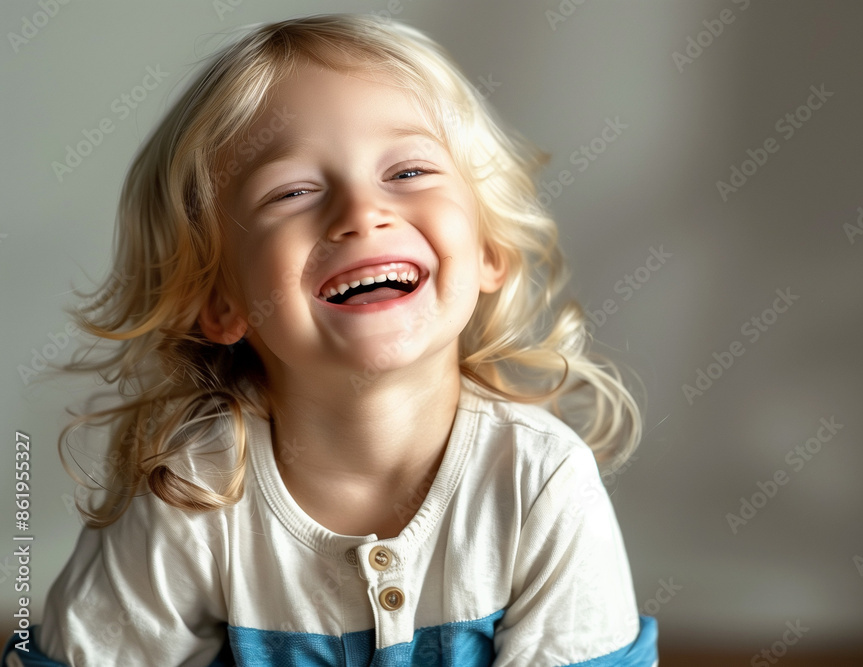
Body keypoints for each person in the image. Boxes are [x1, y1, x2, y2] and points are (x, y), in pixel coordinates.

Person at [3, 14, 658, 666]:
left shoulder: (541, 481)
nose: (360, 213)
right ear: (220, 301)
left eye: (407, 172)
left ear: (489, 248)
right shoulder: (190, 493)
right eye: (292, 191)